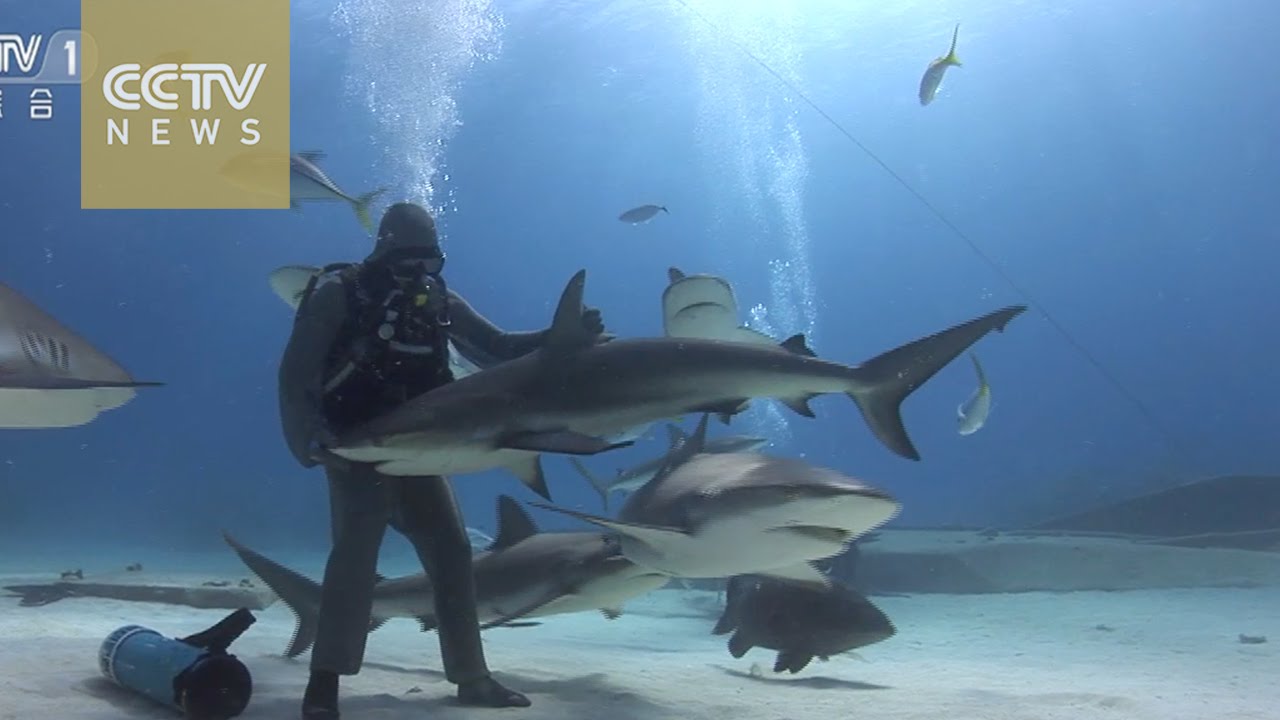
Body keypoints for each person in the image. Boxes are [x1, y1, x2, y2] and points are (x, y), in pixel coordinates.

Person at [278, 202, 606, 719]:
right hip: (359, 446)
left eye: (429, 260)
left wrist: (560, 339)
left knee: (454, 553)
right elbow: (297, 370)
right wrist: (309, 436)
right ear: (382, 247)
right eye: (407, 259)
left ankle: (472, 678)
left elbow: (496, 349)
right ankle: (325, 685)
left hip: (423, 449)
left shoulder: (438, 299)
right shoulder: (341, 293)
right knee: (356, 555)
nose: (418, 272)